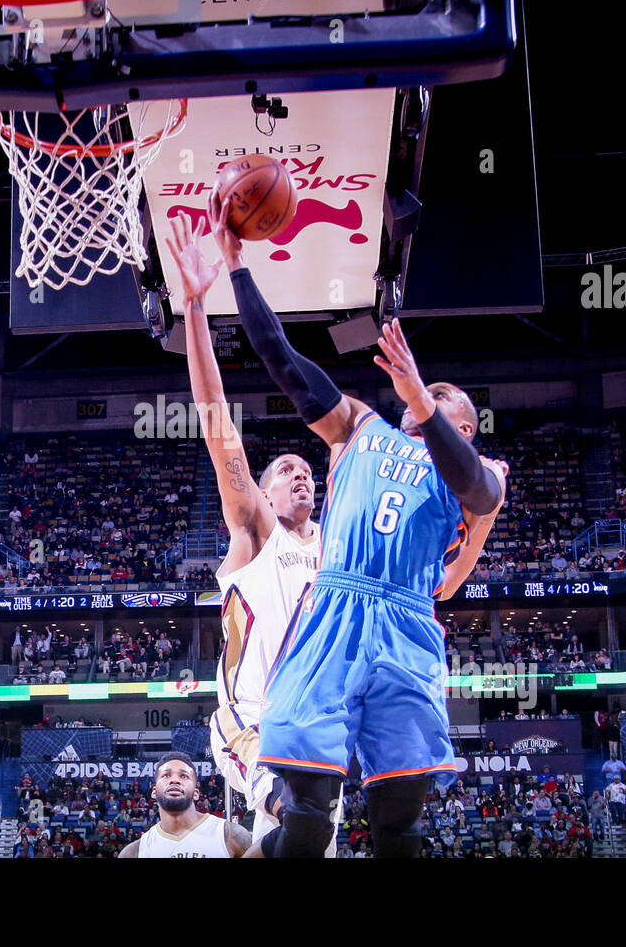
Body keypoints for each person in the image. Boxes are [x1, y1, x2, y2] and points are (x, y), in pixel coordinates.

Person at [184, 200, 508, 858]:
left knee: (400, 826)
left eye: (444, 406)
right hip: (336, 610)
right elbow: (283, 359)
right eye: (421, 397)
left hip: (405, 626)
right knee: (306, 820)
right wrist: (237, 267)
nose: (422, 399)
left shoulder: (476, 470)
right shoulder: (360, 425)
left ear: (466, 426)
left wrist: (425, 403)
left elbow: (477, 489)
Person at [164, 212, 331, 852]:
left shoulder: (332, 548)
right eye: (285, 469)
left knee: (304, 841)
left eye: (306, 470)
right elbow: (216, 425)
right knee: (293, 809)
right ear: (260, 490)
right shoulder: (258, 530)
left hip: (315, 720)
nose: (300, 475)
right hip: (251, 718)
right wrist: (197, 307)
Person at [117, 752, 251, 858]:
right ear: (153, 792)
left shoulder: (230, 835)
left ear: (196, 793)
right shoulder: (135, 852)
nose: (174, 780)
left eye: (184, 776)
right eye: (166, 775)